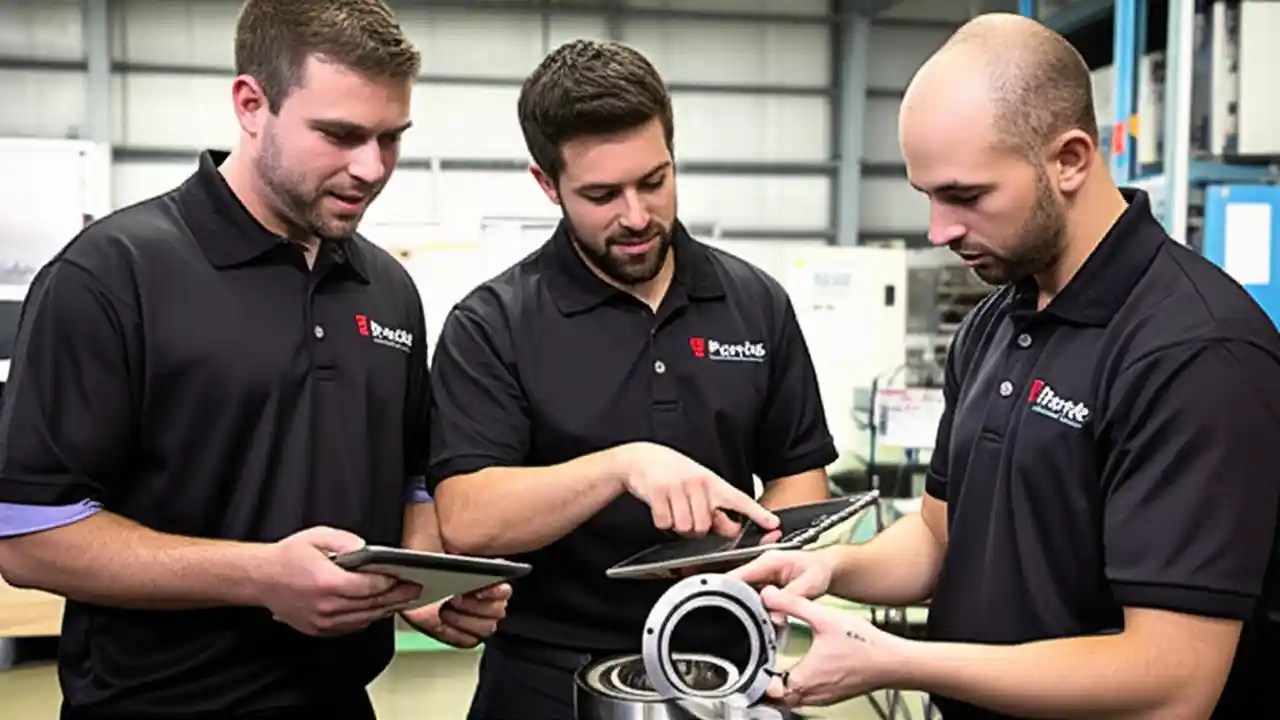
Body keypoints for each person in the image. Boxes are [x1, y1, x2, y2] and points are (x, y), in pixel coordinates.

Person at [730, 12, 1280, 720]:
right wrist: (833, 569)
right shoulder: (996, 322)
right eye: (927, 195)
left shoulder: (1194, 354)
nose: (939, 230)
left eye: (965, 195)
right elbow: (939, 535)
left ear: (1071, 159)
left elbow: (1172, 682)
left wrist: (896, 660)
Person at [0, 2, 509, 718]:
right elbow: (28, 535)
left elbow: (409, 476)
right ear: (250, 104)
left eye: (391, 138)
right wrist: (260, 576)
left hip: (340, 702)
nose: (371, 168)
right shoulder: (112, 276)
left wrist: (424, 585)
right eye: (339, 135)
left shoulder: (387, 290)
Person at [425, 38, 839, 720]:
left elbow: (800, 477)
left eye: (654, 180)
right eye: (601, 195)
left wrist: (741, 555)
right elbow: (468, 518)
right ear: (545, 183)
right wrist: (622, 468)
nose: (638, 217)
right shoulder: (493, 322)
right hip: (547, 682)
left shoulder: (755, 303)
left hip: (725, 669)